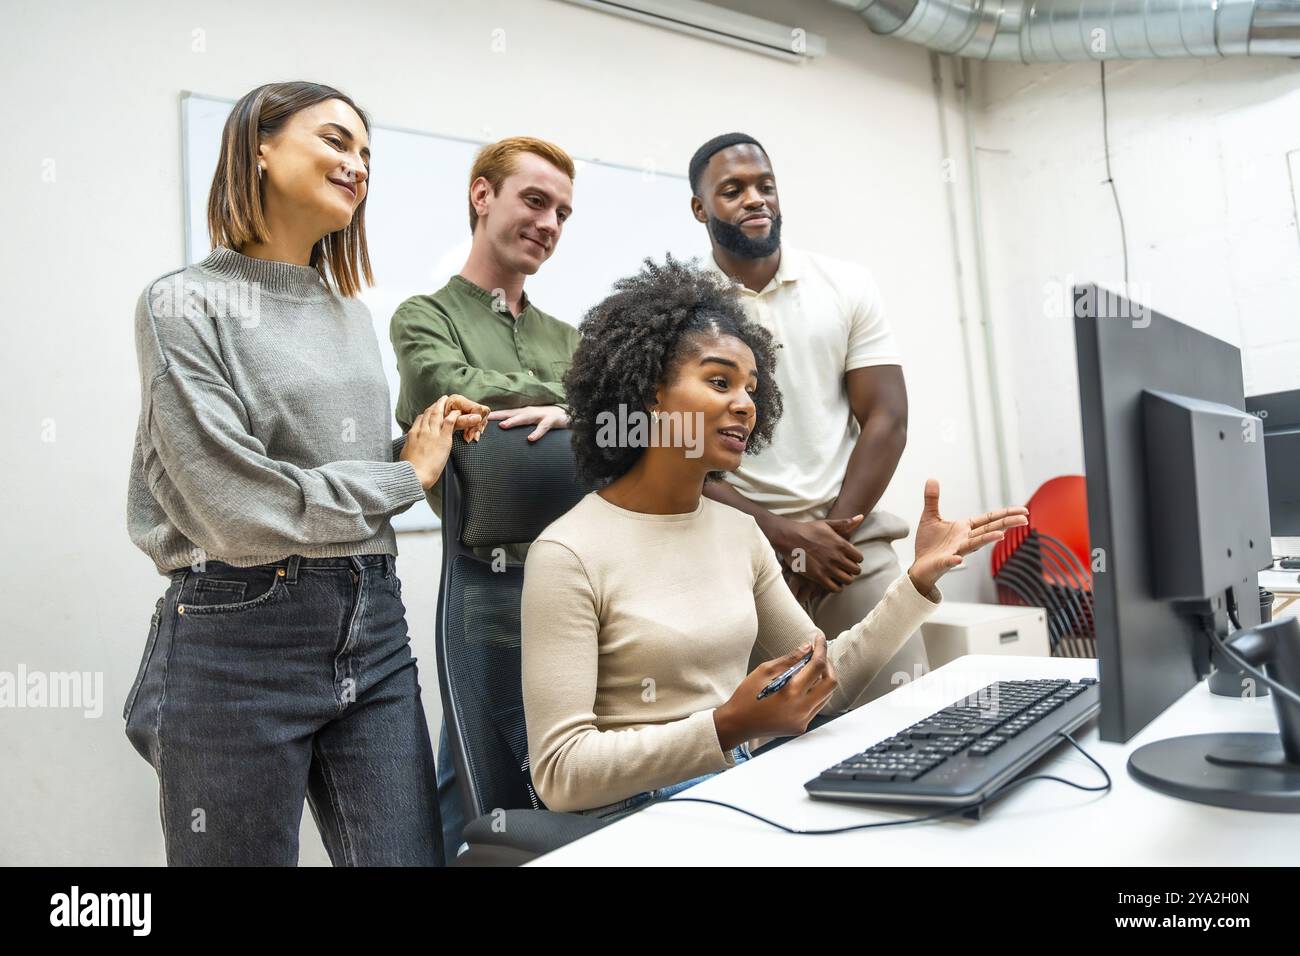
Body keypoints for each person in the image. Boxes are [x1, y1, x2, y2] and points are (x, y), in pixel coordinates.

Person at [123, 81, 486, 865]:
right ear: (258, 144)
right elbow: (240, 510)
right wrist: (403, 479)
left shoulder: (350, 315)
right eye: (335, 141)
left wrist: (419, 443)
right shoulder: (183, 305)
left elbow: (326, 474)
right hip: (239, 634)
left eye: (365, 154)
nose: (356, 164)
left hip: (373, 616)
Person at [520, 257, 1026, 818]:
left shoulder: (740, 533)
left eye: (750, 387)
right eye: (719, 382)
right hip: (638, 819)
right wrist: (727, 726)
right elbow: (560, 774)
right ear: (649, 394)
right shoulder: (567, 554)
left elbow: (821, 679)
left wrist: (916, 580)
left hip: (743, 790)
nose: (744, 403)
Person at [390, 135, 581, 862]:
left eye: (563, 212)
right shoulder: (421, 317)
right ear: (482, 196)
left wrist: (581, 413)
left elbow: (627, 414)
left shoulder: (568, 333)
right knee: (477, 769)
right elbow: (461, 394)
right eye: (535, 201)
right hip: (488, 585)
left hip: (581, 579)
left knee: (544, 771)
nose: (550, 224)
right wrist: (574, 407)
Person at [690, 132, 928, 705]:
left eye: (765, 186)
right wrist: (783, 538)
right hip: (738, 553)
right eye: (733, 190)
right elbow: (675, 451)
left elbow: (887, 418)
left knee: (910, 711)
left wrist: (826, 540)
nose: (755, 200)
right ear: (700, 208)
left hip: (849, 548)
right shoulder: (683, 307)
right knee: (773, 736)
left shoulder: (845, 284)